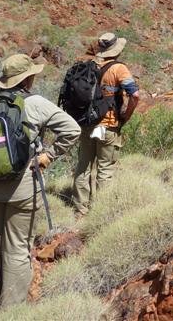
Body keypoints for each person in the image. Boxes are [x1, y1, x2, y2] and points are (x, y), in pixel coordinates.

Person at [0, 54, 80, 315]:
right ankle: (10, 312)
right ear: (28, 79)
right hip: (23, 186)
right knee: (17, 247)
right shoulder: (36, 104)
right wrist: (48, 156)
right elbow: (72, 130)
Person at [71, 32, 139, 216]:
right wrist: (126, 115)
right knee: (105, 169)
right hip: (107, 125)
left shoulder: (88, 65)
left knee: (83, 167)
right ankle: (102, 212)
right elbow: (135, 95)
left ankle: (80, 209)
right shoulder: (119, 69)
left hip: (87, 124)